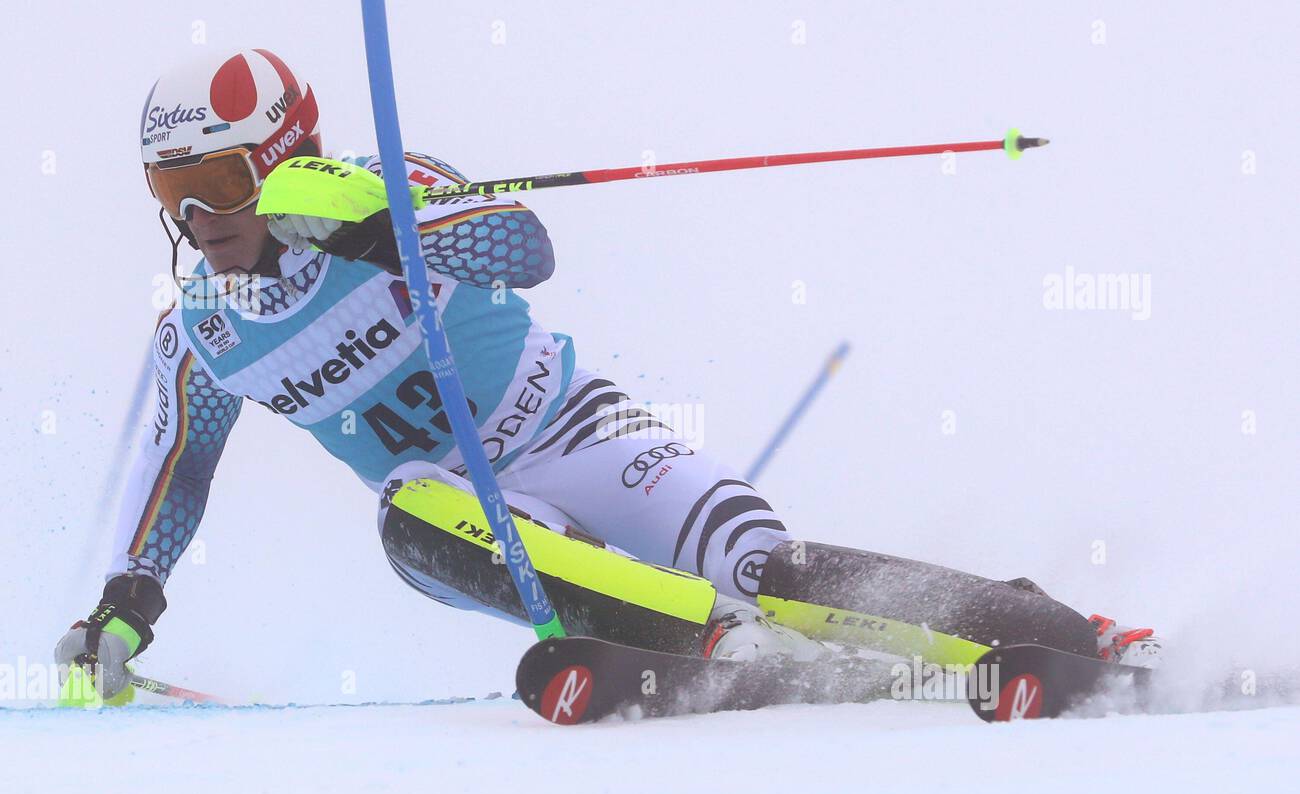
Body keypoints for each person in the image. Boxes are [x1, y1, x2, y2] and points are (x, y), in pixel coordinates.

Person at [56, 49, 1159, 704]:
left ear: (284, 155)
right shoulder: (204, 325)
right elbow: (180, 467)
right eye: (169, 189)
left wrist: (384, 230)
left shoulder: (386, 186)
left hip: (577, 433)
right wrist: (128, 600)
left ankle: (1066, 635)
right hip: (471, 516)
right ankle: (712, 646)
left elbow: (524, 247)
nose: (196, 221)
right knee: (406, 509)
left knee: (762, 557)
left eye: (213, 180)